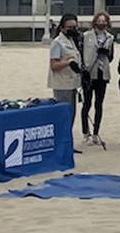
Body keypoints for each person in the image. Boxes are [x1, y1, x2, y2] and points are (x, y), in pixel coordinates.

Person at [47, 14, 83, 148]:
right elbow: (54, 65)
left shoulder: (72, 41)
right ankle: (61, 145)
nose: (73, 29)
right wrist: (67, 62)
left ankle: (67, 144)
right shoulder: (57, 42)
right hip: (62, 85)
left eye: (75, 27)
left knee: (71, 116)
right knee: (64, 116)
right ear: (62, 28)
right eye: (69, 27)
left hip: (72, 84)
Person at [81, 12, 114, 146]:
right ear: (95, 22)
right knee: (87, 104)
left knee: (99, 104)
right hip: (89, 73)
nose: (101, 23)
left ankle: (96, 133)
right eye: (99, 21)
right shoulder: (86, 36)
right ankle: (85, 133)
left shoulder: (110, 37)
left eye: (104, 21)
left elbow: (111, 57)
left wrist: (107, 53)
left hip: (102, 73)